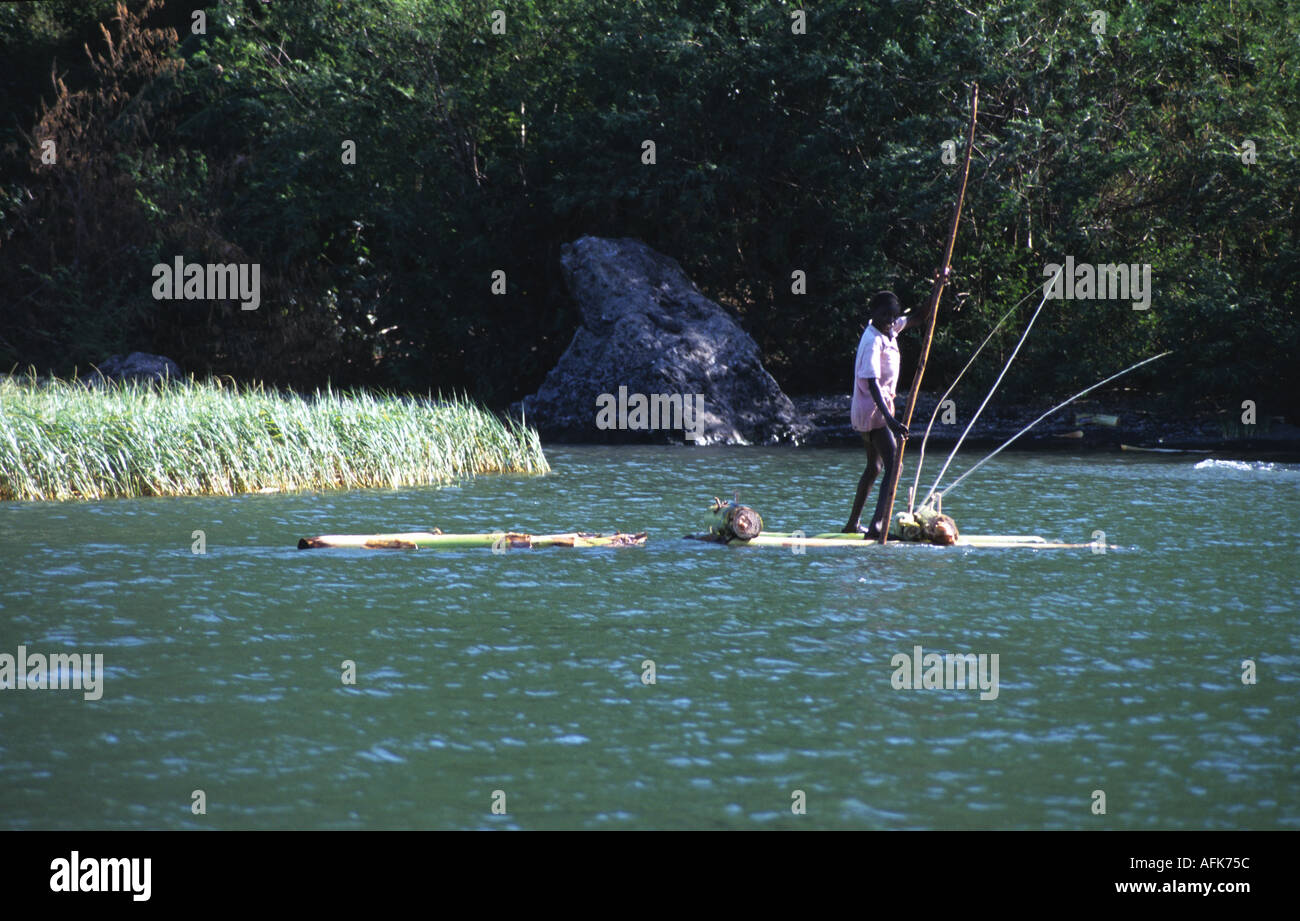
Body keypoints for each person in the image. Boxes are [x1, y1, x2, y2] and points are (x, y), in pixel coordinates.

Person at [843, 278, 943, 537]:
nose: (889, 319)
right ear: (872, 314)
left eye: (892, 315)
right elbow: (872, 384)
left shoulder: (890, 330)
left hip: (876, 411)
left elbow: (920, 316)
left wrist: (937, 287)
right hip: (872, 412)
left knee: (874, 467)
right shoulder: (872, 340)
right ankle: (877, 525)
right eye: (884, 314)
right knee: (893, 466)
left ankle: (853, 523)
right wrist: (890, 421)